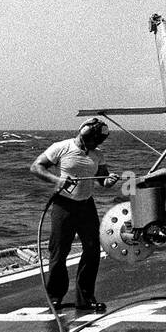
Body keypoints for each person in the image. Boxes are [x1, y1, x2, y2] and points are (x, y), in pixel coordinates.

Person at [31, 118, 119, 313]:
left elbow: (102, 181)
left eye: (97, 143)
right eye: (91, 141)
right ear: (83, 134)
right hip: (64, 206)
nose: (93, 146)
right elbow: (36, 167)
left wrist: (109, 181)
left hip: (87, 206)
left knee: (92, 250)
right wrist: (57, 180)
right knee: (59, 252)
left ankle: (85, 298)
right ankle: (55, 297)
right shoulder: (60, 147)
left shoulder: (97, 155)